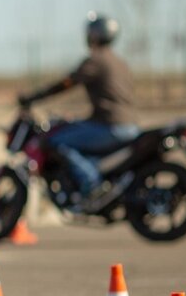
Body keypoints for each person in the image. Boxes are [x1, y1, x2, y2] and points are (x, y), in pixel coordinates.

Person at [18, 12, 139, 211]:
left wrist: (34, 97)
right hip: (130, 126)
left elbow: (66, 84)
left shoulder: (96, 61)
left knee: (55, 141)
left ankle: (91, 183)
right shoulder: (120, 62)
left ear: (93, 35)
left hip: (111, 127)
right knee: (76, 134)